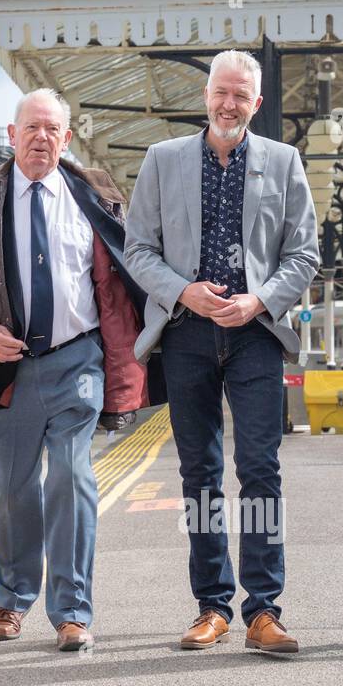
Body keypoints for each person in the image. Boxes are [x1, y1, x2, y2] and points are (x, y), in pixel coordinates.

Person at [0, 88, 159, 652]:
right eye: (31, 128)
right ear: (12, 136)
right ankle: (12, 599)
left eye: (51, 129)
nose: (41, 138)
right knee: (10, 487)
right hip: (6, 368)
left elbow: (129, 272)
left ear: (66, 138)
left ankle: (72, 609)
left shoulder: (94, 197)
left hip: (76, 359)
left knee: (71, 476)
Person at [125, 49, 318, 654]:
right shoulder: (162, 160)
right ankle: (212, 605)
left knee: (260, 470)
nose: (228, 103)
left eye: (241, 95)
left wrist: (258, 301)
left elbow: (304, 255)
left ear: (256, 104)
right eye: (220, 92)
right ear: (205, 95)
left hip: (256, 337)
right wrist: (185, 290)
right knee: (199, 474)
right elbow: (137, 250)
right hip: (185, 334)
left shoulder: (284, 163)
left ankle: (264, 610)